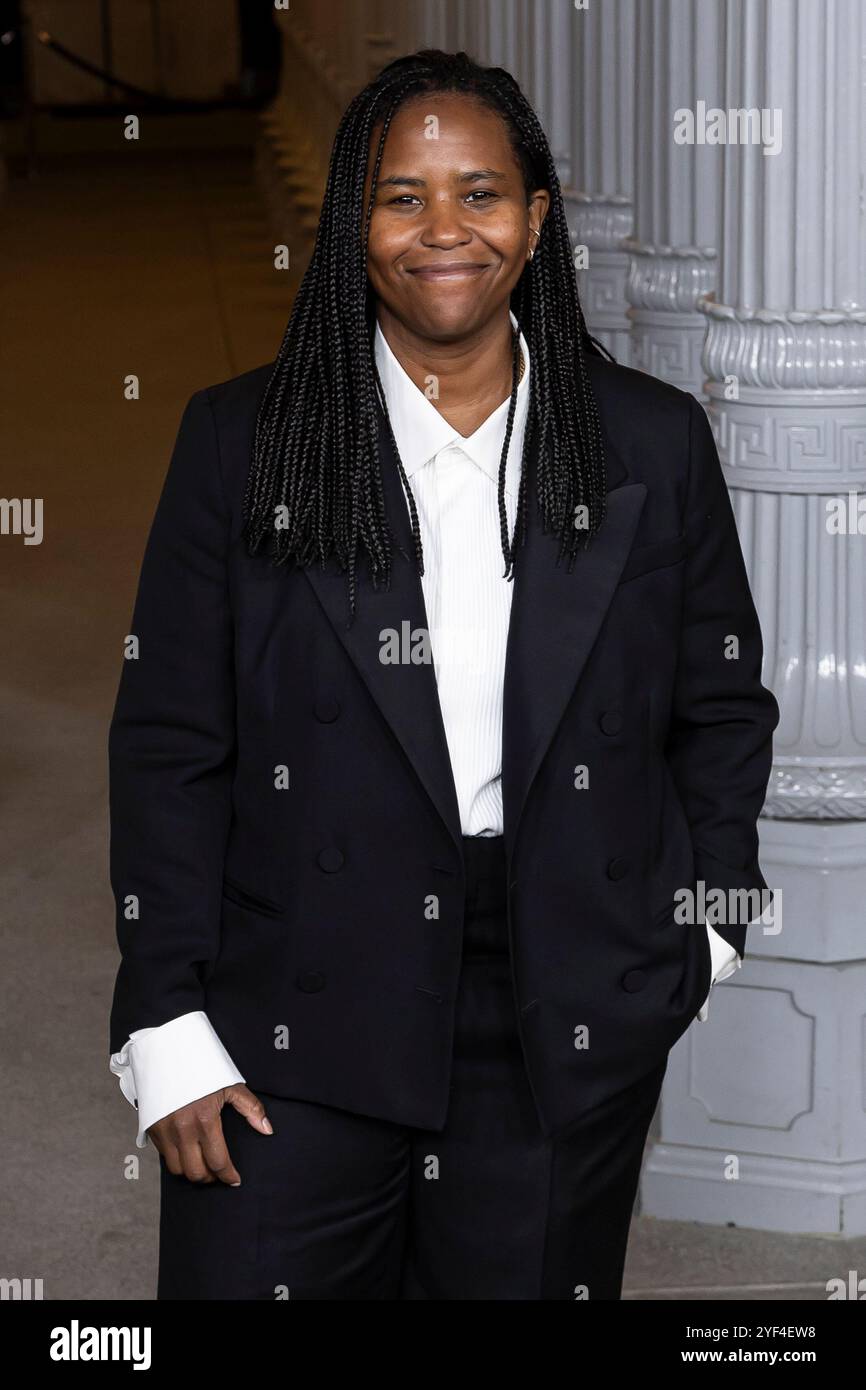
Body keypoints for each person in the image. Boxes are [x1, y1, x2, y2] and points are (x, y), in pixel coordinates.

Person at [107, 49, 779, 1300]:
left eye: (478, 192)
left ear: (534, 218)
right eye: (400, 196)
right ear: (351, 224)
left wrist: (705, 938)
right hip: (293, 1002)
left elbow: (721, 702)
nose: (442, 231)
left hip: (557, 1001)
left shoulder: (647, 440)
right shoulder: (240, 443)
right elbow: (169, 746)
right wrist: (165, 1021)